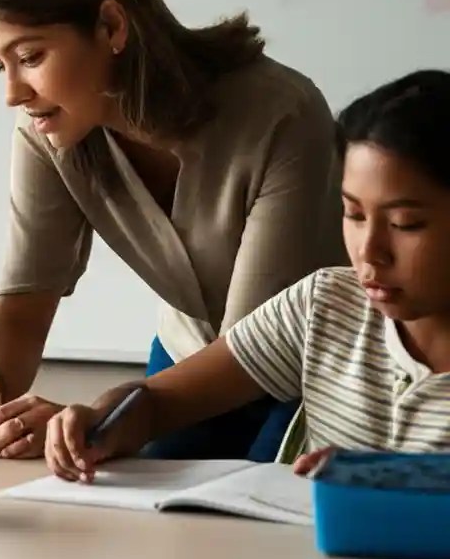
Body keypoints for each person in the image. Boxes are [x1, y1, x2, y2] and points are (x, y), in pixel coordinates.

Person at [0, 0, 345, 461]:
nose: (13, 93)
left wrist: (106, 415)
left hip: (312, 369)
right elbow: (24, 304)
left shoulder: (282, 115)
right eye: (1, 65)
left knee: (267, 515)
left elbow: (252, 351)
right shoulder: (46, 129)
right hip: (186, 357)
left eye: (31, 56)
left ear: (111, 26)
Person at [45, 71, 450, 481]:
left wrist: (373, 475)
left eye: (405, 223)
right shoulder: (324, 304)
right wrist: (100, 418)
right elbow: (158, 402)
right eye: (354, 214)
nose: (369, 250)